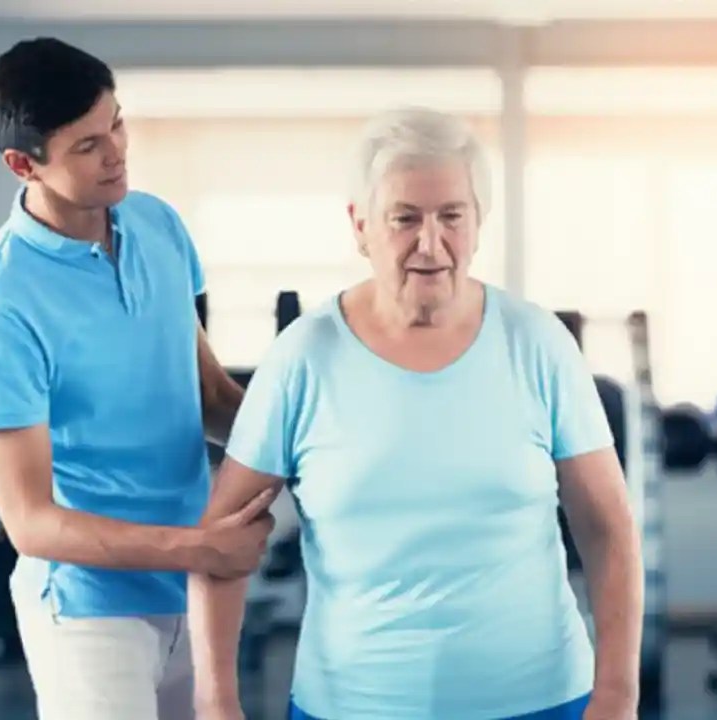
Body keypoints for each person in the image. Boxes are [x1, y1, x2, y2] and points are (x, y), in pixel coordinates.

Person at [189, 107, 645, 720]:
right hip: (349, 707)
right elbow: (220, 545)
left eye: (451, 216)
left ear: (478, 222)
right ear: (360, 226)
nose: (430, 244)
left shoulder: (537, 344)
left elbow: (609, 530)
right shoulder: (303, 357)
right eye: (405, 218)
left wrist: (617, 694)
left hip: (542, 702)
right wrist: (216, 703)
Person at [0, 37, 277, 720]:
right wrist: (202, 545)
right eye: (88, 145)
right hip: (88, 612)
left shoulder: (157, 225)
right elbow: (30, 522)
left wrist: (320, 450)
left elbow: (210, 395)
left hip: (194, 589)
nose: (117, 151)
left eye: (118, 123)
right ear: (23, 164)